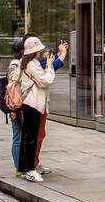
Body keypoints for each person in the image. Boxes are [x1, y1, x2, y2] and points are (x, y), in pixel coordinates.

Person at [15, 36, 55, 183]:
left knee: (26, 136)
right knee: (31, 138)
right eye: (39, 49)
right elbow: (45, 81)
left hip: (26, 102)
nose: (42, 51)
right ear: (35, 51)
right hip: (33, 103)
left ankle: (23, 169)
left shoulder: (23, 62)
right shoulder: (32, 64)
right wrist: (50, 66)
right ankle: (31, 170)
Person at [32, 37, 68, 174]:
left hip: (35, 103)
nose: (41, 51)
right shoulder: (32, 64)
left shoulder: (32, 62)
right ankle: (31, 165)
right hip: (36, 104)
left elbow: (48, 63)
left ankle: (30, 164)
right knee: (38, 135)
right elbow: (47, 78)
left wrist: (59, 54)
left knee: (37, 134)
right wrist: (63, 54)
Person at [6, 36, 25, 172]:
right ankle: (19, 167)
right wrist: (13, 109)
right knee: (18, 136)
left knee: (19, 136)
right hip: (16, 106)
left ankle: (20, 165)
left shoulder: (17, 64)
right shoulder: (15, 66)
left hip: (17, 105)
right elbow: (12, 88)